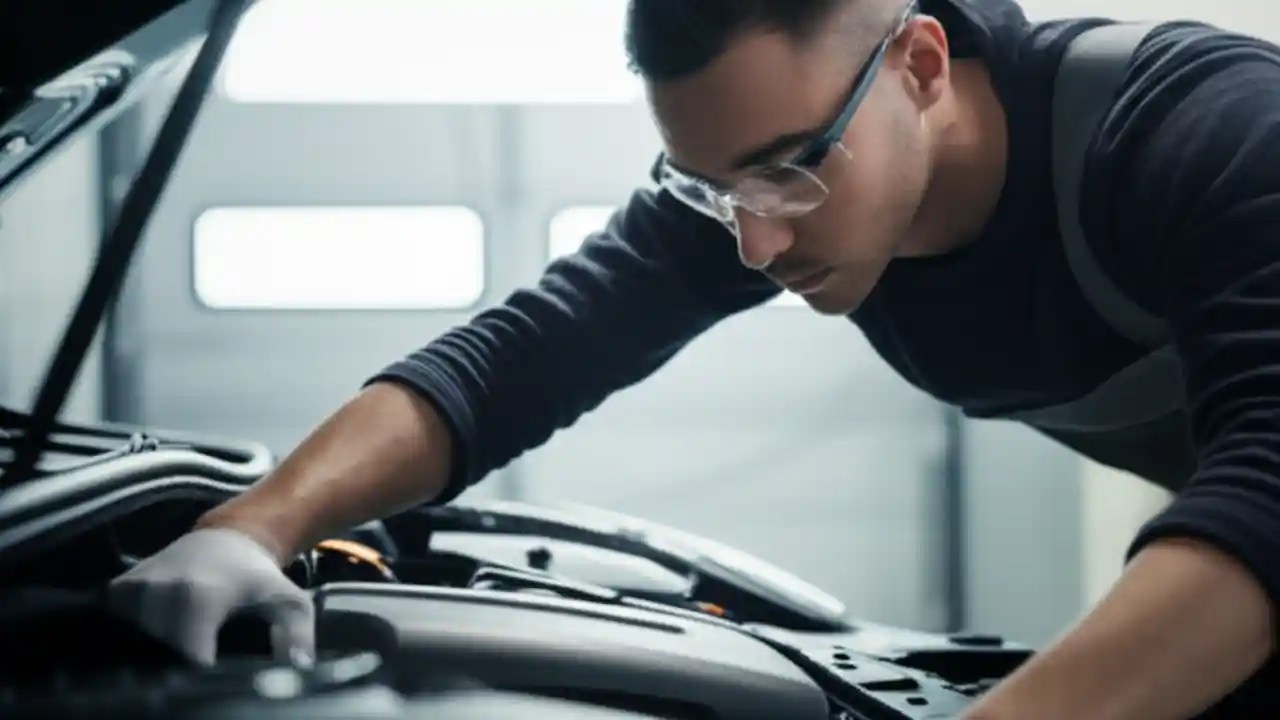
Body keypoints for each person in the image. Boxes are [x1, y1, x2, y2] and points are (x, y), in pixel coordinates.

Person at [109, 0, 1280, 716]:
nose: (755, 242)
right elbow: (519, 358)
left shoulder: (1204, 133)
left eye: (786, 170)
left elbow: (1268, 486)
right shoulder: (762, 195)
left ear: (920, 64)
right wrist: (251, 527)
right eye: (711, 188)